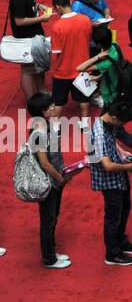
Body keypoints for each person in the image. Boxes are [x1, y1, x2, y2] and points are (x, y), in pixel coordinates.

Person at [89, 101, 132, 266]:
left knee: (124, 209)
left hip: (118, 176)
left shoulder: (108, 122)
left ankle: (121, 242)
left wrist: (121, 151)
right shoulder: (99, 133)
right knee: (113, 217)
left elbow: (111, 143)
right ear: (113, 117)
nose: (123, 126)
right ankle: (112, 254)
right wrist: (129, 168)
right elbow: (107, 165)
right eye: (121, 122)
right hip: (109, 181)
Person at [27, 92, 70, 268]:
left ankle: (51, 252)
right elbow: (44, 163)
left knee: (53, 217)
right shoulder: (39, 133)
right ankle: (49, 259)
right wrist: (60, 178)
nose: (53, 108)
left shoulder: (46, 126)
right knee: (48, 221)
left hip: (55, 179)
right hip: (48, 182)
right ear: (42, 111)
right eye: (50, 107)